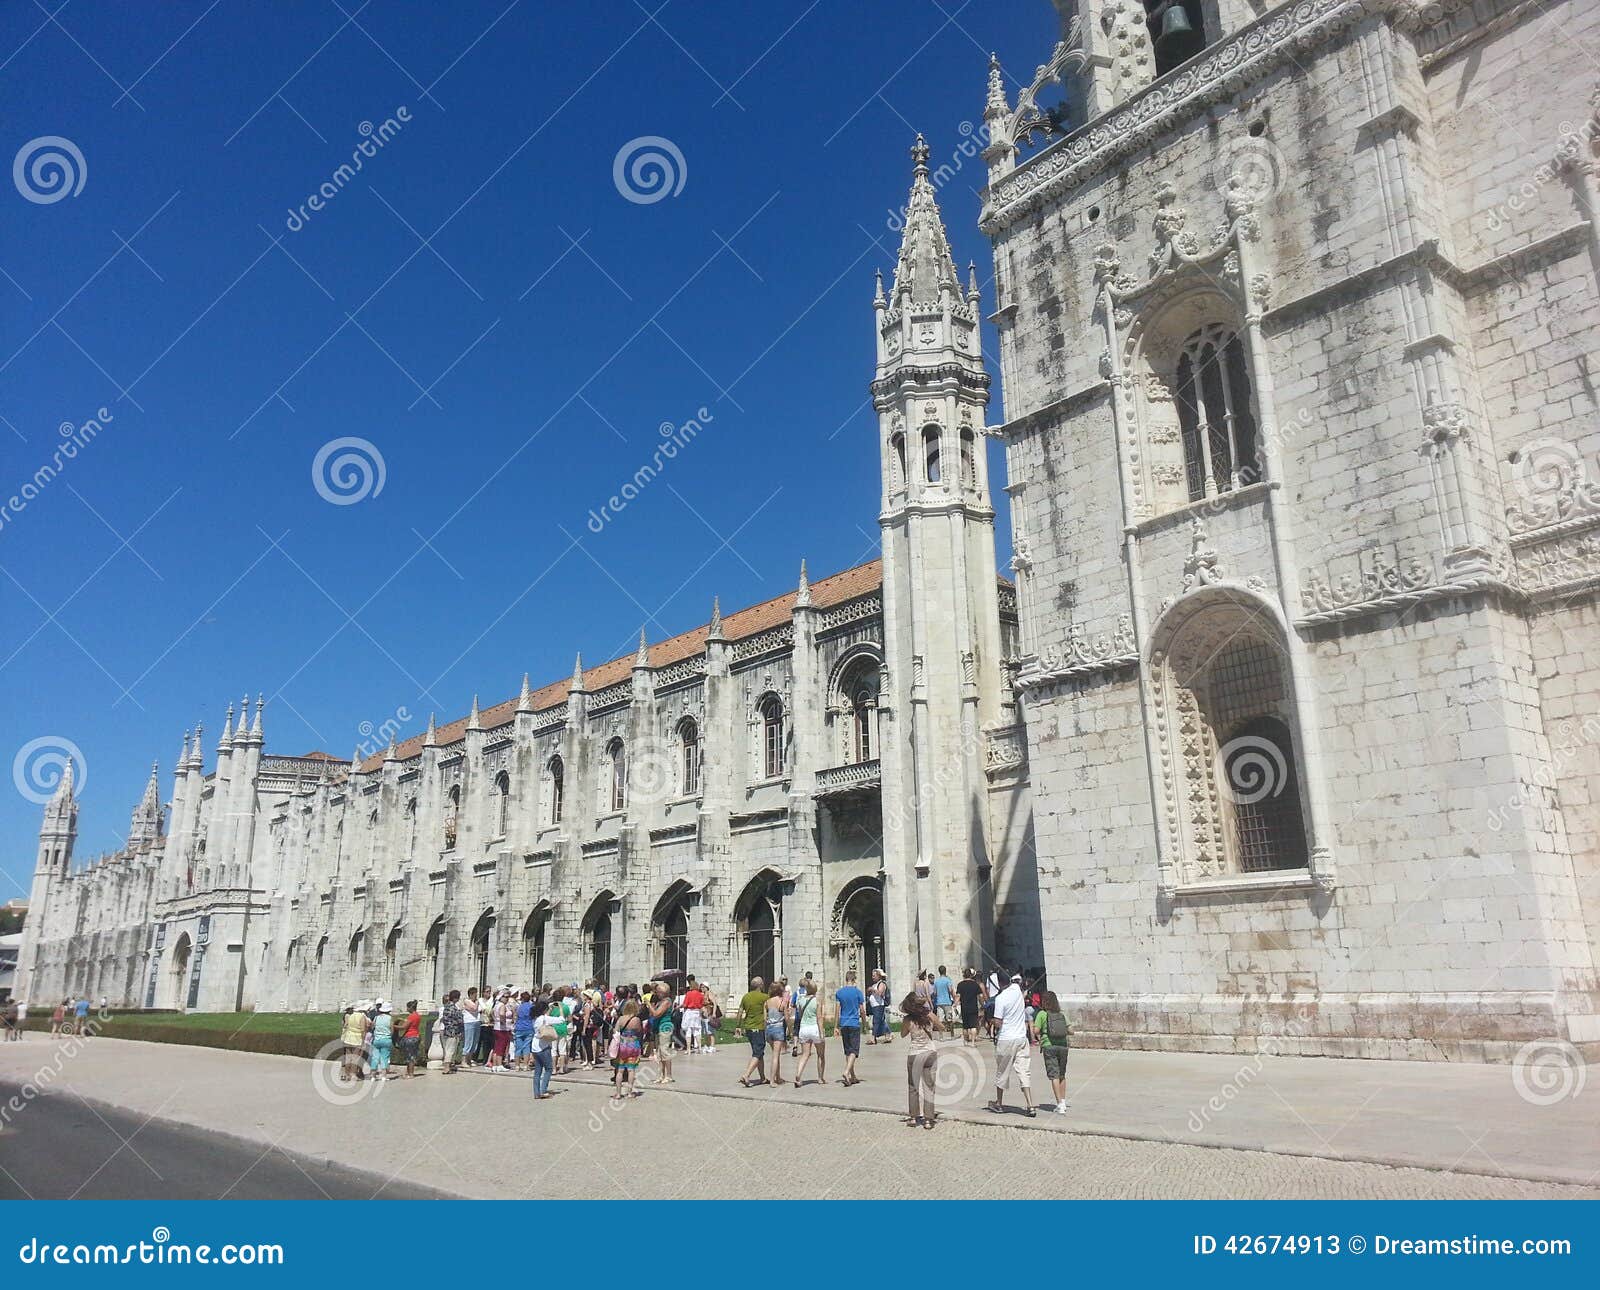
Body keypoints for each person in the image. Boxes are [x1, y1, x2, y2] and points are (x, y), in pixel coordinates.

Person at [988, 973, 1035, 1117]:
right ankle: (1030, 1105)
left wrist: (993, 1021)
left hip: (1006, 1038)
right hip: (1021, 1037)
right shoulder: (1017, 989)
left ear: (999, 984)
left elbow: (998, 1022)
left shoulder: (1000, 998)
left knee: (1002, 1072)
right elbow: (1020, 984)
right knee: (1023, 1071)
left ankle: (999, 1103)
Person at [901, 990, 942, 1130]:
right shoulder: (929, 1015)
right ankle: (928, 1120)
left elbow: (902, 1034)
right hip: (929, 1052)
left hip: (914, 1054)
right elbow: (941, 1027)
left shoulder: (907, 1020)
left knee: (913, 1087)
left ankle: (913, 1117)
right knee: (929, 1088)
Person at [1034, 989, 1071, 1113]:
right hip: (1063, 1046)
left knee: (1053, 1075)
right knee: (1062, 1074)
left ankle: (1059, 1104)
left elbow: (1036, 1031)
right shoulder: (1062, 1014)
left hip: (1049, 1046)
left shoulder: (1042, 1014)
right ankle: (1064, 1101)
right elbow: (1070, 1030)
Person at [791, 977, 826, 1087]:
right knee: (821, 1055)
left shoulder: (801, 1000)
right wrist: (821, 1033)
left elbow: (800, 1015)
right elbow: (819, 1018)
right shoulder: (817, 1001)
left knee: (805, 1054)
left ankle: (798, 1075)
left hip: (804, 1028)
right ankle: (820, 1078)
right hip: (814, 1028)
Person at [834, 970, 866, 1086]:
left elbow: (837, 1010)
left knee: (848, 1051)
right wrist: (865, 1024)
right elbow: (862, 1010)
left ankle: (852, 1076)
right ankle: (846, 1071)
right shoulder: (858, 992)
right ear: (854, 980)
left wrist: (836, 1026)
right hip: (854, 1023)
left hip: (843, 1023)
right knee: (854, 1051)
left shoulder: (839, 993)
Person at [737, 976, 770, 1087]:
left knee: (759, 1053)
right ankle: (746, 1075)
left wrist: (738, 1026)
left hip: (748, 1028)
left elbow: (740, 1012)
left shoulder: (746, 996)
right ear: (760, 985)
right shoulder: (765, 997)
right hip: (758, 1028)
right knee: (757, 1052)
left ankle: (762, 1078)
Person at [611, 1001, 644, 1102]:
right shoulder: (636, 1019)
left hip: (622, 1045)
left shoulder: (621, 1018)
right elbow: (640, 1031)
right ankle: (629, 1092)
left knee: (620, 1070)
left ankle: (618, 1093)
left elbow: (615, 1031)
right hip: (633, 1045)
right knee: (631, 1070)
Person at [530, 997, 560, 1099]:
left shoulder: (535, 1019)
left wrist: (550, 1009)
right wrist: (560, 1009)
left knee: (537, 1071)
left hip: (535, 1046)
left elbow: (545, 1016)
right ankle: (543, 1090)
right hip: (544, 1046)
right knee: (549, 1068)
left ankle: (536, 1092)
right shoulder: (544, 1018)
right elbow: (561, 1020)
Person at [648, 982, 677, 1084]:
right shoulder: (660, 1001)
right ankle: (661, 1075)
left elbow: (656, 1014)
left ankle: (669, 1075)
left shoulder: (667, 1001)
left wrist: (648, 1004)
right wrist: (652, 1005)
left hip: (665, 1027)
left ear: (663, 992)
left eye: (658, 992)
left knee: (665, 1052)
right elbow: (653, 1013)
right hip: (658, 1027)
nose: (656, 993)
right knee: (659, 1053)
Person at [764, 984, 788, 1085]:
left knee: (775, 1054)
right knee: (775, 1056)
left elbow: (764, 1018)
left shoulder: (766, 1002)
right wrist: (790, 1030)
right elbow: (786, 1017)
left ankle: (778, 1077)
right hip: (778, 1028)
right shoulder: (782, 1001)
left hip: (769, 1029)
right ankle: (772, 1080)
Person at [339, 1004, 368, 1082]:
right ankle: (353, 1074)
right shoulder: (362, 1017)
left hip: (348, 1037)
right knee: (355, 1057)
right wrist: (363, 1040)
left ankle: (347, 1073)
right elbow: (363, 1030)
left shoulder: (350, 1016)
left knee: (348, 1057)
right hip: (357, 1038)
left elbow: (347, 1025)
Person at [955, 967, 983, 1044]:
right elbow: (980, 996)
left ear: (964, 975)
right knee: (973, 1026)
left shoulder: (960, 984)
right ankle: (973, 1043)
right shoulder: (975, 984)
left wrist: (955, 1004)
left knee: (965, 1026)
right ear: (971, 975)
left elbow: (958, 996)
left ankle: (965, 1041)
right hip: (973, 1008)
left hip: (964, 1008)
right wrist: (982, 1004)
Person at [440, 991, 464, 1073]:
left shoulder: (446, 1007)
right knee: (450, 1050)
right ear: (455, 998)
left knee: (447, 1049)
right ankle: (446, 1068)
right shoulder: (454, 1008)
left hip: (446, 1030)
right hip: (453, 1031)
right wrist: (461, 1013)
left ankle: (448, 1066)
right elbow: (459, 1020)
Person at [512, 991, 536, 1070]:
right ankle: (525, 1065)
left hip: (519, 1027)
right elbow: (533, 1017)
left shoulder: (519, 1007)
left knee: (518, 1047)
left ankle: (517, 1066)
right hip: (529, 1027)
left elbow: (516, 1016)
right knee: (526, 1047)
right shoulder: (531, 1006)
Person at [399, 1000, 422, 1077]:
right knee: (412, 1055)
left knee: (410, 1056)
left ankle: (410, 1073)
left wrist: (394, 1026)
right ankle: (409, 1073)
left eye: (407, 1007)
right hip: (416, 1035)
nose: (406, 1009)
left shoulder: (411, 1016)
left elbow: (403, 1027)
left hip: (410, 1037)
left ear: (410, 1008)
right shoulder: (417, 1015)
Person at [371, 1002, 394, 1079]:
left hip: (377, 1039)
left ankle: (373, 1076)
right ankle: (383, 1076)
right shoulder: (390, 1018)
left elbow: (372, 1027)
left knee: (375, 1057)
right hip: (386, 1039)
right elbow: (392, 1030)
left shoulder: (376, 1018)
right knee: (384, 1058)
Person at [681, 976, 704, 1054]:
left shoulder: (689, 993)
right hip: (697, 1012)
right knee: (697, 1030)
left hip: (689, 1012)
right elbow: (701, 1005)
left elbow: (685, 1004)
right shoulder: (700, 994)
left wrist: (680, 1006)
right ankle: (700, 1048)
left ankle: (688, 1049)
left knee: (688, 1031)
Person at [868, 971, 891, 1044]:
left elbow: (880, 993)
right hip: (875, 1006)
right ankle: (888, 1035)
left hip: (879, 1005)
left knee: (876, 1022)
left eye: (874, 975)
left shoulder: (882, 984)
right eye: (872, 975)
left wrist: (872, 989)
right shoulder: (875, 984)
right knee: (881, 1021)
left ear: (879, 976)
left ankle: (873, 1038)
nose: (872, 977)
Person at [461, 986, 481, 1068]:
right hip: (469, 1022)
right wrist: (476, 1003)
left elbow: (478, 1010)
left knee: (474, 1042)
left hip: (476, 1022)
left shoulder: (476, 1001)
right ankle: (463, 1060)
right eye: (475, 994)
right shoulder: (466, 1000)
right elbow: (474, 1008)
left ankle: (469, 1059)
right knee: (468, 1041)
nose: (476, 996)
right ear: (471, 994)